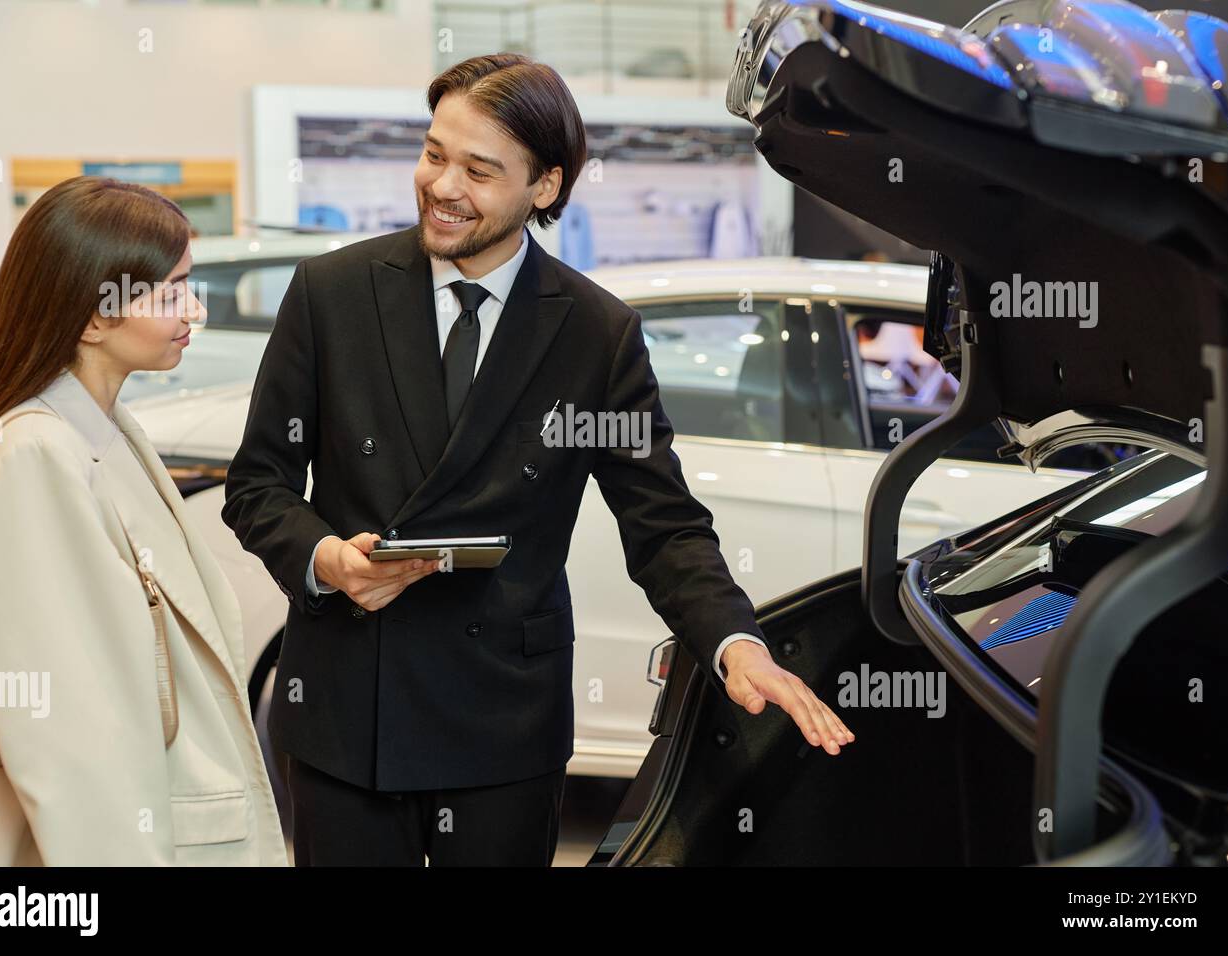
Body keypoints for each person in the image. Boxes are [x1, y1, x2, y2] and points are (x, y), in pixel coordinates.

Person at [222, 53, 853, 867]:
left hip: (502, 729)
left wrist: (737, 644)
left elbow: (662, 528)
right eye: (434, 153)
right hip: (349, 708)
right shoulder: (331, 293)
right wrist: (323, 558)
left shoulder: (594, 335)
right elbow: (259, 482)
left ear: (545, 187)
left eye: (479, 170)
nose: (443, 185)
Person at [0, 176, 287, 866]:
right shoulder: (38, 455)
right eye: (171, 292)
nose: (194, 311)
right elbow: (69, 726)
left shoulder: (105, 430)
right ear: (94, 315)